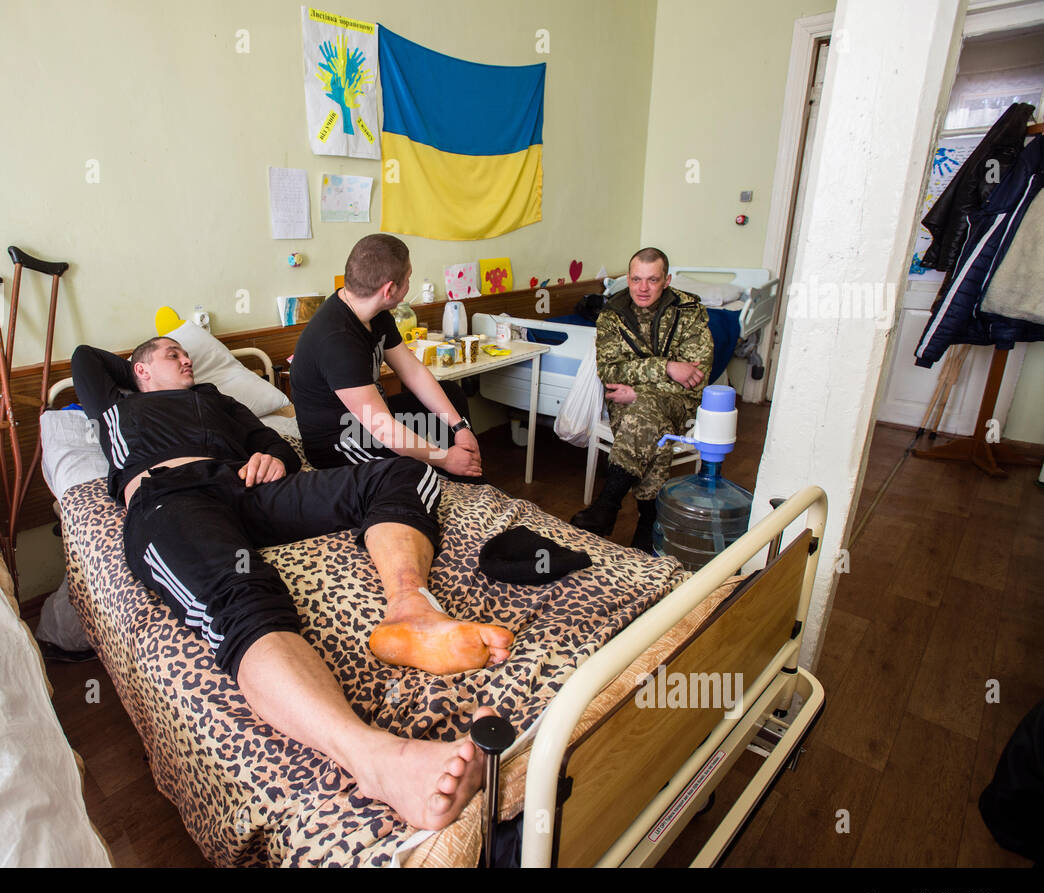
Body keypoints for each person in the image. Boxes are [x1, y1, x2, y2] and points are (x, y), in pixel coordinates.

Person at [70, 336, 514, 830]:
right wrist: (148, 356)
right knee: (240, 597)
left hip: (248, 488)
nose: (185, 358)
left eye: (187, 351)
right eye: (170, 354)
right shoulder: (117, 402)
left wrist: (275, 458)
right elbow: (85, 357)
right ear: (140, 371)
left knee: (400, 473)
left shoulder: (217, 397)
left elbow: (271, 440)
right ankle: (377, 762)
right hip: (170, 499)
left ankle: (409, 608)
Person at [290, 234, 483, 480]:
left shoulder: (375, 312)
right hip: (340, 442)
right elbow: (385, 430)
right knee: (417, 468)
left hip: (373, 422)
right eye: (409, 278)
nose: (409, 284)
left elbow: (412, 371)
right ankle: (463, 479)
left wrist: (459, 426)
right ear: (390, 289)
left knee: (451, 394)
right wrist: (444, 458)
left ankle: (471, 478)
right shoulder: (336, 340)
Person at [571, 248, 713, 552]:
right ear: (628, 278)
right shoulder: (613, 314)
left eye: (652, 280)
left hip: (677, 403)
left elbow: (696, 381)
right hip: (627, 401)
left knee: (643, 412)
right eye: (636, 279)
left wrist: (639, 390)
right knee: (650, 426)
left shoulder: (690, 313)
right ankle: (648, 524)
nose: (643, 288)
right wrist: (668, 367)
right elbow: (610, 370)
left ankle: (607, 505)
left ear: (667, 280)